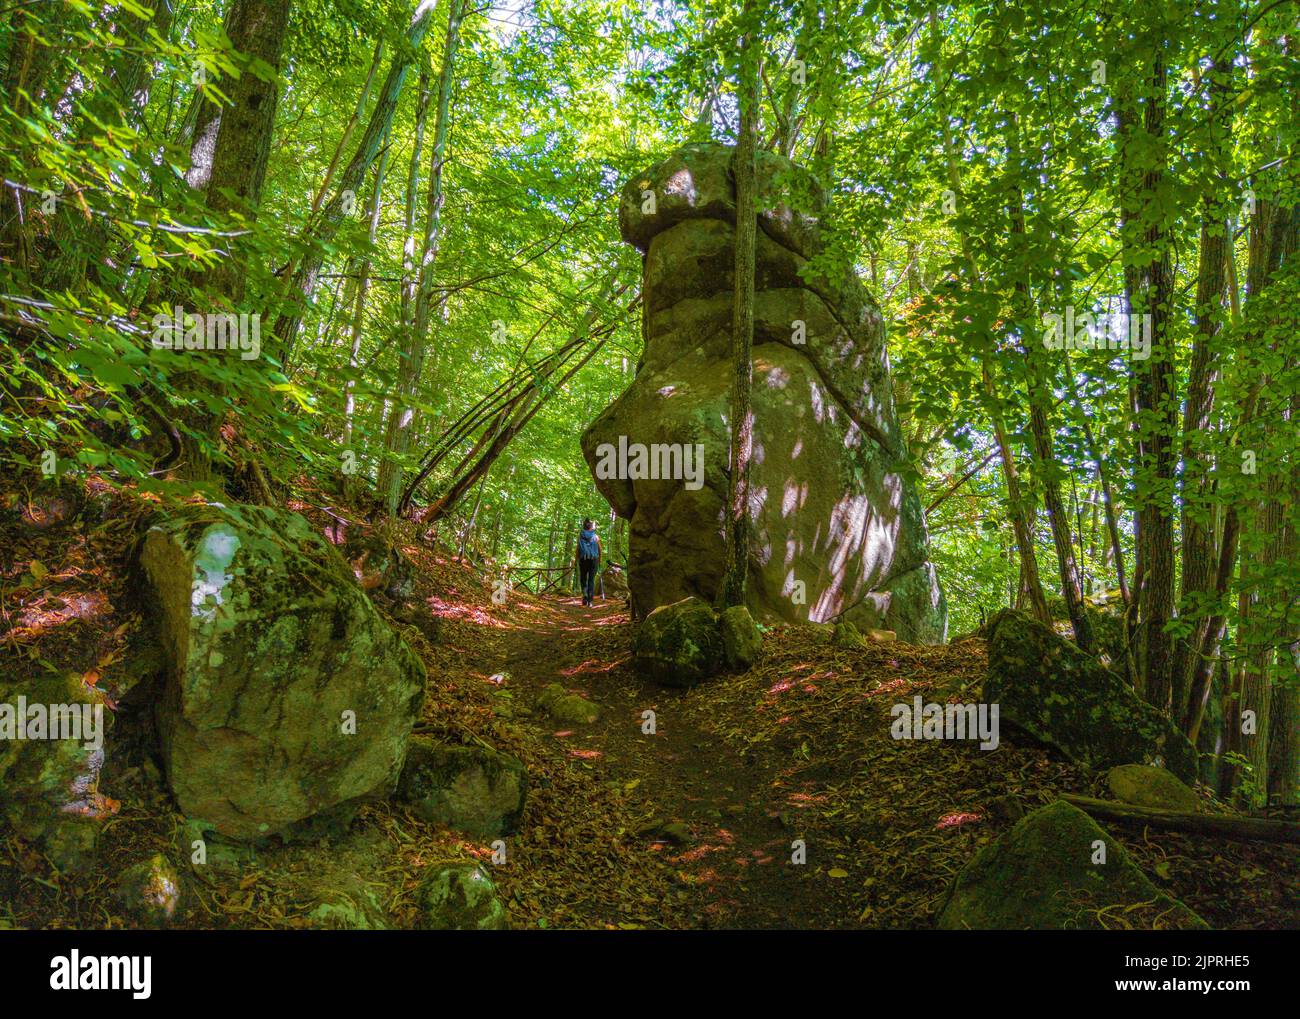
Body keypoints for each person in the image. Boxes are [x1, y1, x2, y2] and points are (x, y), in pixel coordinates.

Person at [576, 518, 601, 606]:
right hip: (594, 559)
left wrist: (576, 559)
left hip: (583, 559)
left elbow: (578, 548)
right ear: (591, 527)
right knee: (591, 580)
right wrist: (599, 560)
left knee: (583, 578)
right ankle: (590, 601)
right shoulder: (595, 536)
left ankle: (585, 595)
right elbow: (599, 549)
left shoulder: (580, 536)